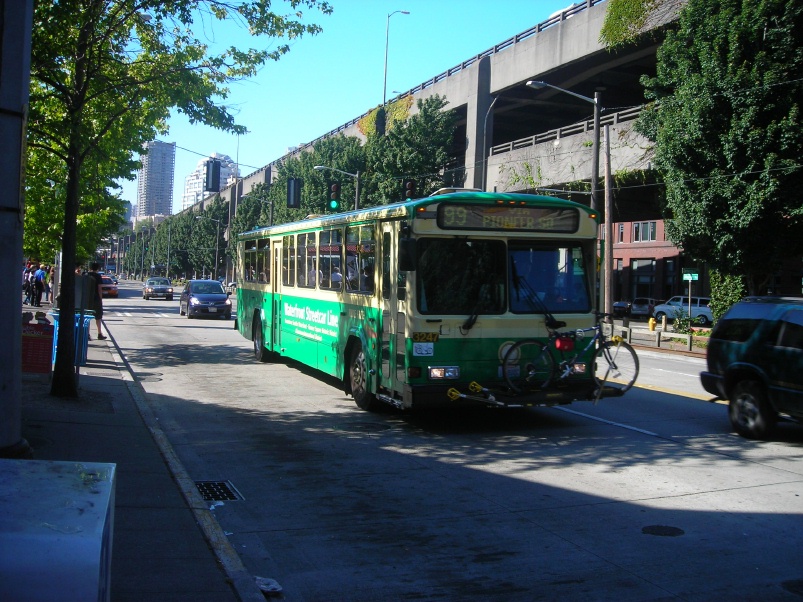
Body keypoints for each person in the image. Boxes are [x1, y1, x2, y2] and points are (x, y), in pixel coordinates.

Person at [86, 262, 106, 340]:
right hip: (96, 298)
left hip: (87, 298)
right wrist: (100, 299)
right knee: (98, 316)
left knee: (86, 316)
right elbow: (99, 288)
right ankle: (99, 333)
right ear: (97, 268)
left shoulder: (86, 275)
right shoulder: (98, 276)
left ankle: (87, 333)